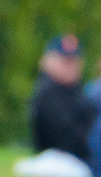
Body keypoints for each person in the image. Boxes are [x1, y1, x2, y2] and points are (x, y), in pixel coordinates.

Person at [29, 34, 96, 163]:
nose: (69, 65)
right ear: (48, 60)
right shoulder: (47, 92)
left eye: (73, 60)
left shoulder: (78, 91)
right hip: (59, 160)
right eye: (64, 60)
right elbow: (64, 137)